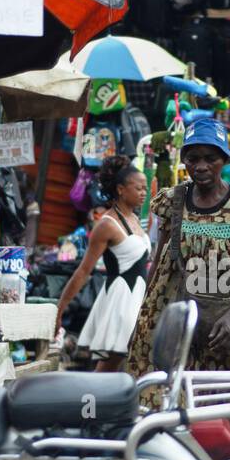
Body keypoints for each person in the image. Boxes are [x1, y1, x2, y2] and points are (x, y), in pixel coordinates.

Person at [124, 118, 230, 380]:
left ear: (225, 159)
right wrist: (144, 312)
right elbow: (160, 260)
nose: (201, 167)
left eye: (210, 158)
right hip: (170, 307)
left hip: (222, 313)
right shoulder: (172, 201)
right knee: (162, 385)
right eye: (192, 159)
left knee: (218, 393)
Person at [55, 156, 149, 371]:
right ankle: (91, 404)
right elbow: (84, 270)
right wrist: (59, 311)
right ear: (121, 189)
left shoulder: (135, 219)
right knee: (109, 366)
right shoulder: (106, 224)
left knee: (131, 366)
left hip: (139, 298)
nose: (144, 193)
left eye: (145, 189)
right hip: (121, 300)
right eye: (139, 188)